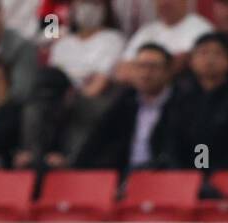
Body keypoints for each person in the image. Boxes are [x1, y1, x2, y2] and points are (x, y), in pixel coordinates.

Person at [74, 42, 176, 171]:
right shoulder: (125, 101)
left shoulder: (183, 103)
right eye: (140, 66)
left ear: (167, 71)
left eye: (153, 67)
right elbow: (96, 140)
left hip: (166, 176)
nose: (145, 73)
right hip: (126, 175)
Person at [164, 31, 228, 171]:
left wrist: (208, 171)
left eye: (217, 53)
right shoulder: (181, 96)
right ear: (191, 61)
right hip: (185, 174)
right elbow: (172, 140)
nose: (210, 59)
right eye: (203, 53)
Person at [119, 0, 211, 74]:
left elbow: (179, 63)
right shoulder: (147, 30)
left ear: (185, 2)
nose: (164, 3)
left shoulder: (199, 27)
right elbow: (122, 70)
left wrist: (140, 69)